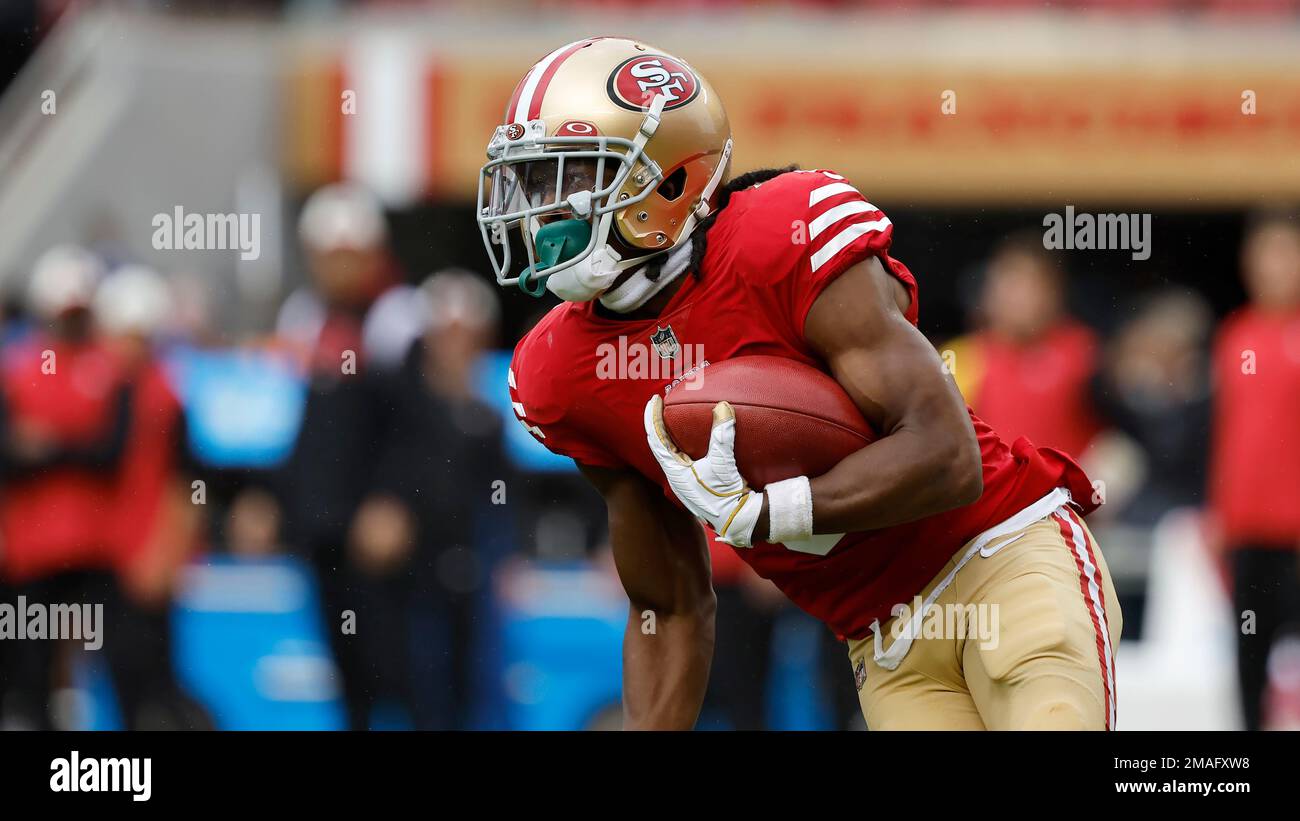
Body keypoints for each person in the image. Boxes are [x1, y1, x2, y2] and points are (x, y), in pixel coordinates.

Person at [481, 37, 1121, 730]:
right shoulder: (562, 371)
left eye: (569, 178)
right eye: (533, 183)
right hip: (886, 637)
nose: (540, 210)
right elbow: (666, 603)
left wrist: (774, 512)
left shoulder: (779, 237)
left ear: (669, 181)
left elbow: (947, 452)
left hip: (1001, 553)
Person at [1209, 209, 1300, 731]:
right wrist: (1220, 512)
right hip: (1247, 530)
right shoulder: (1235, 336)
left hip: (1293, 530)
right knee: (1248, 657)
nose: (1274, 267)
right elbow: (1227, 434)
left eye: (1285, 253)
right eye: (1266, 254)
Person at [946, 232, 1104, 460]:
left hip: (1066, 491)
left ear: (1053, 293)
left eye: (1029, 286)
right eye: (1010, 286)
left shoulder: (1083, 351)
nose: (1018, 299)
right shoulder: (964, 357)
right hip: (998, 490)